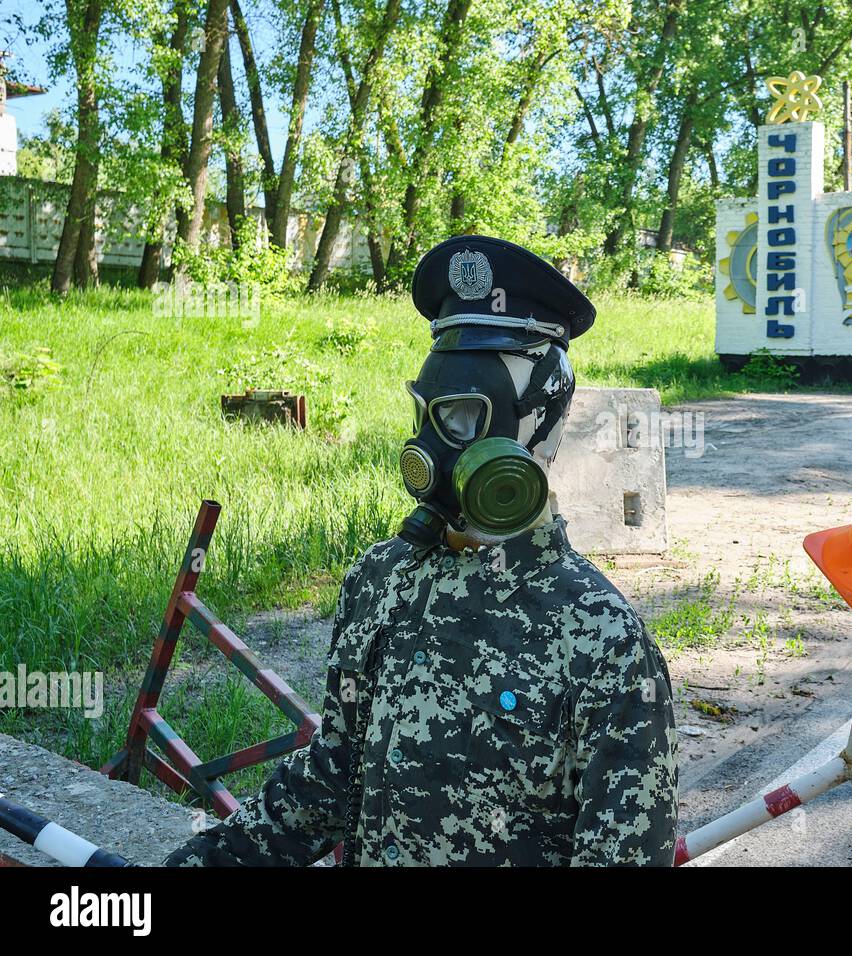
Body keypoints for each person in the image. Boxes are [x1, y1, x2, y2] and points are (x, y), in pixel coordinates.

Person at [164, 236, 678, 866]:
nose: (436, 448)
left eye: (464, 418)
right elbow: (333, 778)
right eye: (430, 416)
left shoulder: (602, 641)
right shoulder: (381, 582)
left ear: (538, 422)